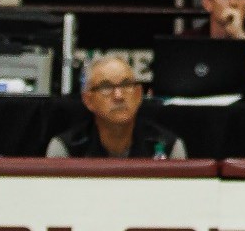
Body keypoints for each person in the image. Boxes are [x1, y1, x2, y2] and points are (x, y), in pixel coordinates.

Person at [47, 55, 187, 160]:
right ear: (88, 100)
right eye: (106, 87)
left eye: (126, 85)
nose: (118, 95)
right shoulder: (66, 150)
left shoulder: (168, 147)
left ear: (138, 94)